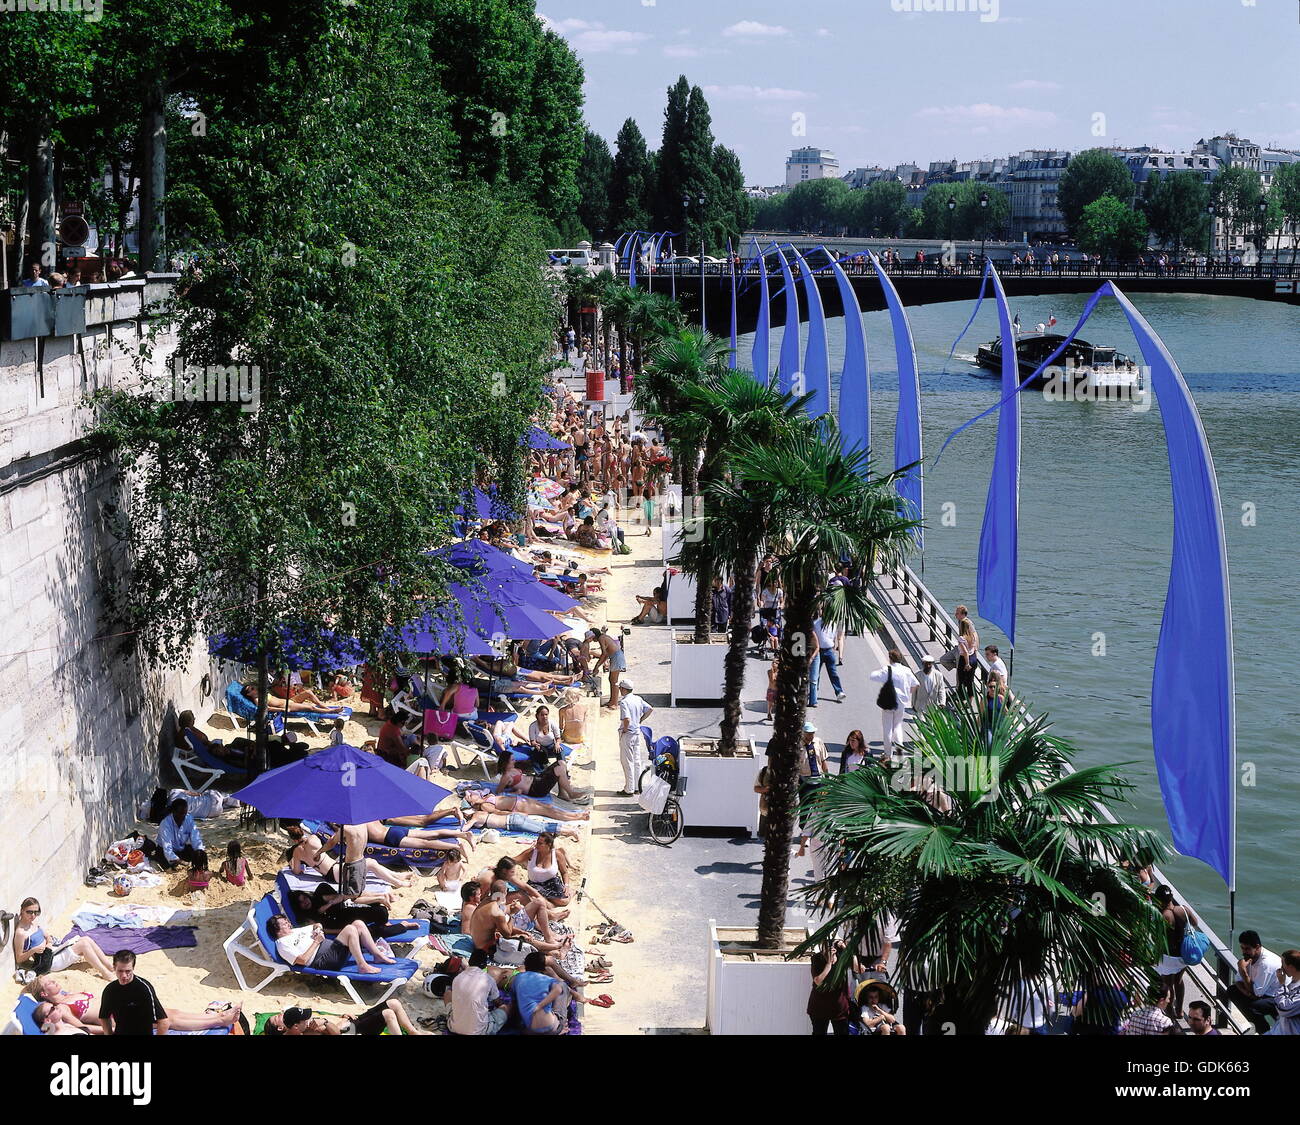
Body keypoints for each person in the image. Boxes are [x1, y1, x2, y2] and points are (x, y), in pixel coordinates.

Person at [32, 975, 241, 1035]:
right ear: (44, 994)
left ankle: (216, 1018)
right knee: (169, 1021)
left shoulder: (70, 995)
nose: (53, 981)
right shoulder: (62, 1009)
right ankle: (220, 1019)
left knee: (172, 1012)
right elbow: (81, 1029)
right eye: (48, 983)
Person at [11, 898, 115, 981]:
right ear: (22, 911)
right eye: (29, 912)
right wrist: (33, 950)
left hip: (53, 950)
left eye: (36, 912)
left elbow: (47, 936)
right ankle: (105, 973)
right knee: (83, 944)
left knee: (86, 938)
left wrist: (49, 942)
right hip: (49, 962)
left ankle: (109, 966)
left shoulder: (33, 923)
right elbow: (19, 959)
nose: (33, 915)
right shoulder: (21, 933)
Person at [267, 912, 395, 975]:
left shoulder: (294, 931)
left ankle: (377, 955)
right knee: (350, 929)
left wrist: (317, 929)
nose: (289, 924)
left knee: (358, 924)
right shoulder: (282, 944)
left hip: (331, 950)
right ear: (277, 929)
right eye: (284, 923)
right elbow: (301, 960)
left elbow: (317, 924)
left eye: (287, 921)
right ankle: (362, 966)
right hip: (323, 961)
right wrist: (316, 942)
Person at [269, 998, 428, 1036]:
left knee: (393, 1002)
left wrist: (342, 1018)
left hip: (350, 1024)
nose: (280, 1015)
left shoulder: (300, 1026)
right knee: (388, 1013)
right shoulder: (307, 1031)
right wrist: (325, 1021)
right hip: (352, 1031)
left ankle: (414, 1032)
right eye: (277, 1018)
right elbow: (337, 1032)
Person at [98, 951, 168, 1035]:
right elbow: (104, 1017)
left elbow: (163, 1022)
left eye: (128, 971)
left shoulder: (143, 989)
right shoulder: (110, 990)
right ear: (114, 967)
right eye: (120, 971)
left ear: (133, 968)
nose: (124, 975)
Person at [1226, 929, 1282, 1033]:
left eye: (1247, 949)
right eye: (1242, 948)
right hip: (1259, 991)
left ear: (1257, 947)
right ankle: (1259, 1026)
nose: (1243, 952)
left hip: (1276, 996)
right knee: (1231, 991)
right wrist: (1249, 994)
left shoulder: (1266, 964)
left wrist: (1243, 971)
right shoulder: (1249, 957)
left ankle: (1264, 1031)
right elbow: (1237, 981)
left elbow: (1257, 993)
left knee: (1253, 1008)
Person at [1153, 885, 1195, 1019]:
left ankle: (1170, 1011)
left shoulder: (1163, 915)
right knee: (1178, 980)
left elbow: (1157, 937)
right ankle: (1180, 1011)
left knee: (1167, 983)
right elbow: (1195, 923)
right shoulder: (1183, 909)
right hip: (1182, 955)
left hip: (1168, 956)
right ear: (1171, 897)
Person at [868, 650, 919, 761]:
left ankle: (888, 754)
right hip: (901, 703)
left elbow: (872, 676)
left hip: (888, 701)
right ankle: (899, 752)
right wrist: (908, 691)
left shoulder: (887, 669)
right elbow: (916, 684)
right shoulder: (906, 670)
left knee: (887, 728)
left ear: (890, 658)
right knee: (897, 726)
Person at [448, 948, 509, 1035]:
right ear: (485, 965)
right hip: (478, 1031)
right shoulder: (488, 979)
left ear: (470, 962)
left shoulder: (457, 978)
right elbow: (497, 1002)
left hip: (454, 1027)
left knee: (448, 994)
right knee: (506, 1008)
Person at [512, 952, 570, 1034]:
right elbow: (558, 990)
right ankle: (560, 1025)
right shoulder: (548, 980)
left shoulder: (517, 978)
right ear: (544, 967)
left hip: (527, 1028)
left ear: (526, 965)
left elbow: (514, 1002)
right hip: (550, 1028)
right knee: (563, 985)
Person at [795, 721, 831, 856]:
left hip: (819, 779)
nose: (810, 736)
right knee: (805, 807)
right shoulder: (798, 745)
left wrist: (827, 780)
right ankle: (804, 832)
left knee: (820, 807)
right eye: (808, 733)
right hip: (805, 780)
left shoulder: (818, 742)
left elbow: (823, 761)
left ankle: (820, 832)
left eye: (812, 733)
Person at [616, 679, 653, 797]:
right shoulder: (638, 699)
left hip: (629, 734)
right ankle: (637, 786)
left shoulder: (624, 702)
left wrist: (625, 730)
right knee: (637, 761)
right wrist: (639, 720)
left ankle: (629, 789)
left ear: (623, 689)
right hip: (636, 732)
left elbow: (626, 719)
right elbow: (649, 709)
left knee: (627, 761)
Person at [516, 832, 571, 905]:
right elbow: (516, 859)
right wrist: (502, 863)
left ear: (548, 845)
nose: (536, 845)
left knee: (564, 902)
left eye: (540, 843)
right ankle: (546, 899)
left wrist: (566, 885)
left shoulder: (557, 854)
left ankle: (571, 893)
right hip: (534, 884)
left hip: (552, 882)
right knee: (532, 899)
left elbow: (564, 872)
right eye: (537, 842)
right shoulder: (531, 852)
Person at [807, 949, 851, 1035]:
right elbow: (818, 981)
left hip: (839, 1007)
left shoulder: (843, 957)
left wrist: (846, 948)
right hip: (819, 1007)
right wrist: (828, 964)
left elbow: (857, 968)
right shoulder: (817, 958)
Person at [807, 616, 845, 707]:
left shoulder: (834, 623)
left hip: (829, 651)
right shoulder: (816, 623)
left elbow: (835, 637)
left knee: (833, 673)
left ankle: (839, 692)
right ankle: (814, 693)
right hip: (819, 651)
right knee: (816, 673)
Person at [156, 797, 204, 869]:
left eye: (185, 813)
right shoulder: (165, 824)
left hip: (181, 849)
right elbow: (167, 847)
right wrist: (181, 862)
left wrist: (200, 852)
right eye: (181, 813)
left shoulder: (189, 819)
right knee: (168, 864)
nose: (183, 816)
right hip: (164, 851)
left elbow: (196, 838)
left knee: (196, 854)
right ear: (173, 812)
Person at [587, 627, 626, 707]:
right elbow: (606, 654)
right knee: (611, 680)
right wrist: (598, 665)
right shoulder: (604, 636)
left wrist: (597, 666)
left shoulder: (601, 638)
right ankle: (612, 701)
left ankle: (614, 703)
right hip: (616, 656)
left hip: (616, 657)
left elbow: (604, 654)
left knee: (614, 681)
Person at [1267, 950, 1300, 1035]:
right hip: (1279, 1029)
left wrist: (1281, 984)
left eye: (1283, 964)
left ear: (1291, 967)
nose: (1281, 968)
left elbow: (1284, 1008)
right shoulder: (1294, 982)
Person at [955, 614, 979, 698]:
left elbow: (965, 652)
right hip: (973, 658)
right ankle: (971, 700)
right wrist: (975, 658)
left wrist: (967, 664)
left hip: (965, 660)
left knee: (961, 681)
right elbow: (975, 647)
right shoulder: (973, 637)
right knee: (970, 681)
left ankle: (960, 701)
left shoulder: (962, 638)